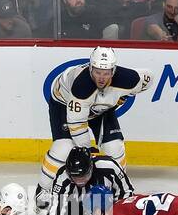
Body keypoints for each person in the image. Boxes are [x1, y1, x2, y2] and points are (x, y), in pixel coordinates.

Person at [41, 46, 153, 201]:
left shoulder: (127, 78)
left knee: (114, 147)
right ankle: (43, 190)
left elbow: (148, 79)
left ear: (113, 71)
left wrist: (124, 96)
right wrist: (86, 152)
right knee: (63, 147)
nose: (101, 77)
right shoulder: (81, 86)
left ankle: (119, 191)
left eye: (106, 73)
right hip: (64, 103)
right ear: (90, 68)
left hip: (99, 106)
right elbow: (76, 123)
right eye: (97, 72)